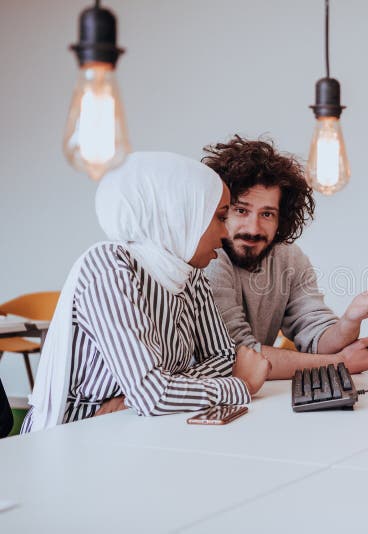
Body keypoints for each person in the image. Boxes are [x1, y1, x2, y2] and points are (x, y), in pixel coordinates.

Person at [22, 152, 270, 432]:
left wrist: (144, 395)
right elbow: (153, 395)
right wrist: (241, 385)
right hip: (76, 434)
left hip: (135, 427)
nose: (225, 233)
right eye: (219, 217)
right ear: (180, 215)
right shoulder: (111, 267)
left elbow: (223, 359)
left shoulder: (190, 275)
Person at [203, 136, 368, 379]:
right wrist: (339, 363)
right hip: (205, 401)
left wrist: (350, 320)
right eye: (241, 210)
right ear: (221, 209)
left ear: (282, 219)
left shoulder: (288, 257)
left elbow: (315, 334)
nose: (253, 228)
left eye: (267, 214)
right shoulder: (209, 256)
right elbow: (237, 355)